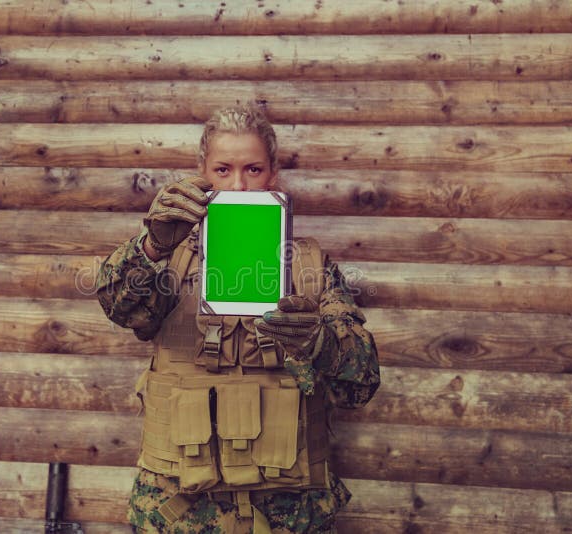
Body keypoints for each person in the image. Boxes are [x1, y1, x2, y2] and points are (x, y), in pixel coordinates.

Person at [96, 105, 380, 533]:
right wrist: (151, 246)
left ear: (274, 174)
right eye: (223, 169)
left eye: (253, 169)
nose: (239, 185)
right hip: (178, 513)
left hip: (288, 513)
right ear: (201, 172)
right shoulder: (167, 253)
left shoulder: (308, 265)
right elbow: (121, 307)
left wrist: (318, 343)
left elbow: (360, 383)